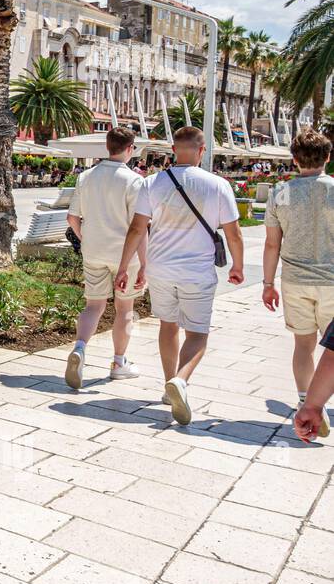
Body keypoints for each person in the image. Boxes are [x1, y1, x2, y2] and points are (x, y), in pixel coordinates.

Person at [115, 127, 245, 425]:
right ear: (202, 151)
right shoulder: (218, 185)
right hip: (197, 271)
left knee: (168, 325)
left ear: (174, 150)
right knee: (197, 333)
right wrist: (237, 266)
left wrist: (124, 267)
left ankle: (168, 382)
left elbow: (137, 229)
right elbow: (234, 235)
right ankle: (181, 381)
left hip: (160, 268)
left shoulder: (152, 183)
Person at [64, 127, 148, 390]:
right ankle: (118, 363)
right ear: (130, 148)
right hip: (125, 254)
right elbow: (139, 227)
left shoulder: (86, 177)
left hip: (94, 251)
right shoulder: (134, 181)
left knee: (93, 306)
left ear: (107, 147)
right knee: (124, 309)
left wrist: (85, 238)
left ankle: (80, 348)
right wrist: (145, 263)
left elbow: (72, 217)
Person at [261, 128, 334, 416]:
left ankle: (305, 398)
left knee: (303, 344)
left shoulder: (281, 193)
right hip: (331, 281)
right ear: (327, 157)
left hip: (295, 279)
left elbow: (271, 244)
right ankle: (322, 403)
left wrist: (268, 283)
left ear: (295, 160)